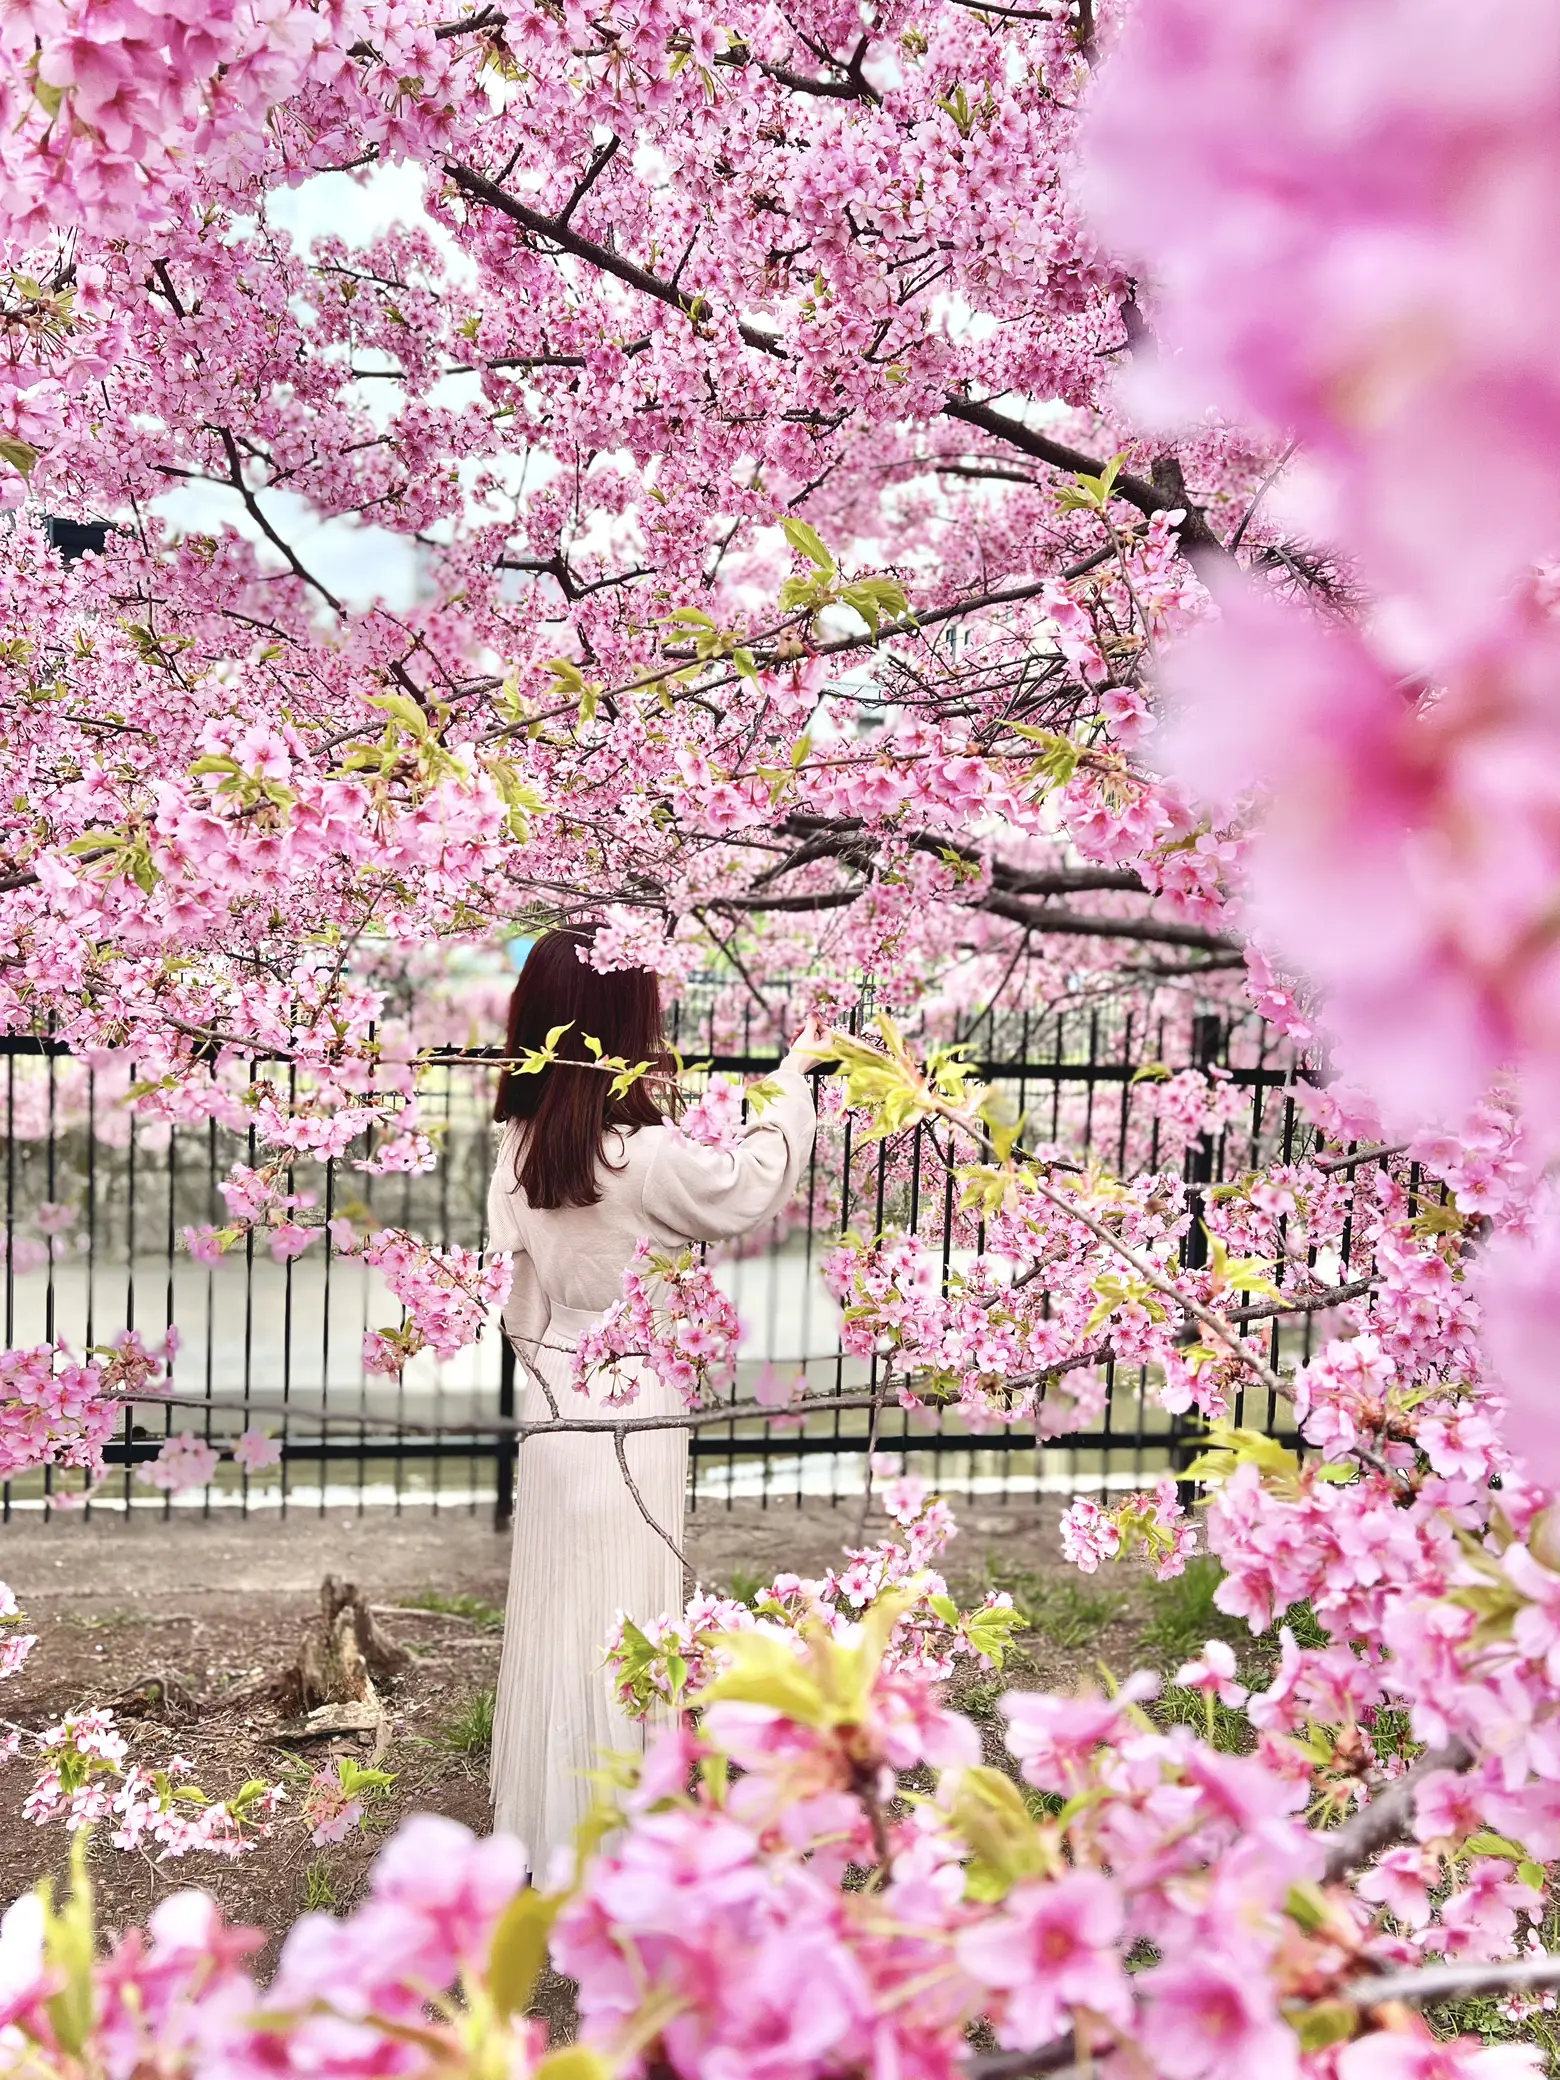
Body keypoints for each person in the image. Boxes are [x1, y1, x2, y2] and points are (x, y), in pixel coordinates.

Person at [485, 924, 822, 1876]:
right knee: (627, 1615)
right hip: (636, 1391)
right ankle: (620, 1831)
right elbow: (749, 1184)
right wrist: (791, 1077)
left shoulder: (520, 1144)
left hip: (558, 1393)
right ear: (624, 1023)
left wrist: (551, 1369)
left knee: (558, 1611)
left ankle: (550, 1826)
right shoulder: (647, 1154)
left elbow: (518, 1295)